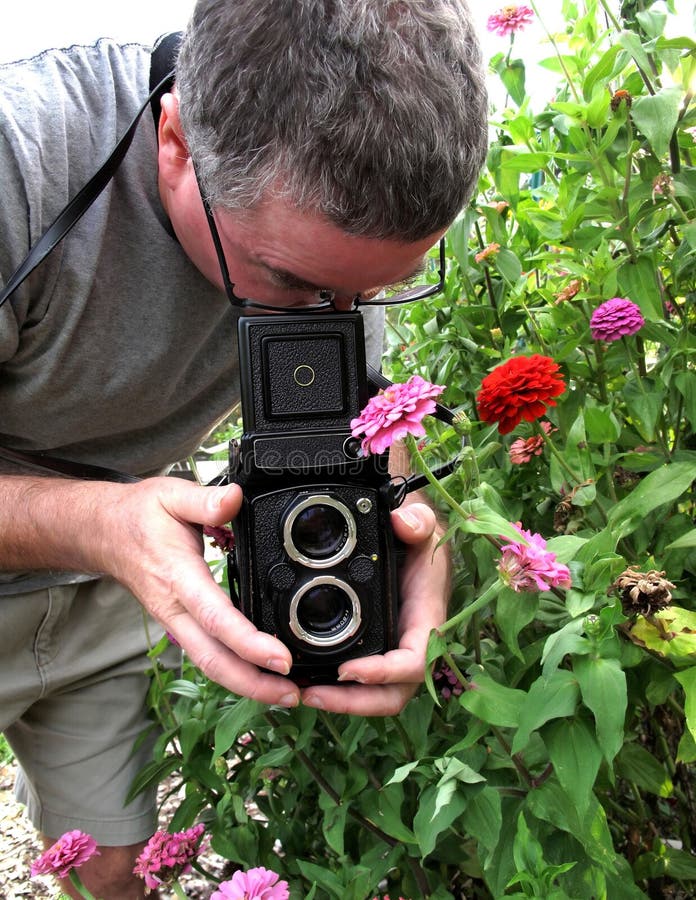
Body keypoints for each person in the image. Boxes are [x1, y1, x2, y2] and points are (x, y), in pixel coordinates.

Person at [0, 1, 488, 896]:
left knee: (115, 862)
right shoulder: (22, 157)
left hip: (117, 571)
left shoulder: (327, 243)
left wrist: (406, 526)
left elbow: (369, 425)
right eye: (292, 280)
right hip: (110, 536)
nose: (334, 321)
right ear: (177, 139)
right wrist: (99, 521)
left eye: (381, 289)